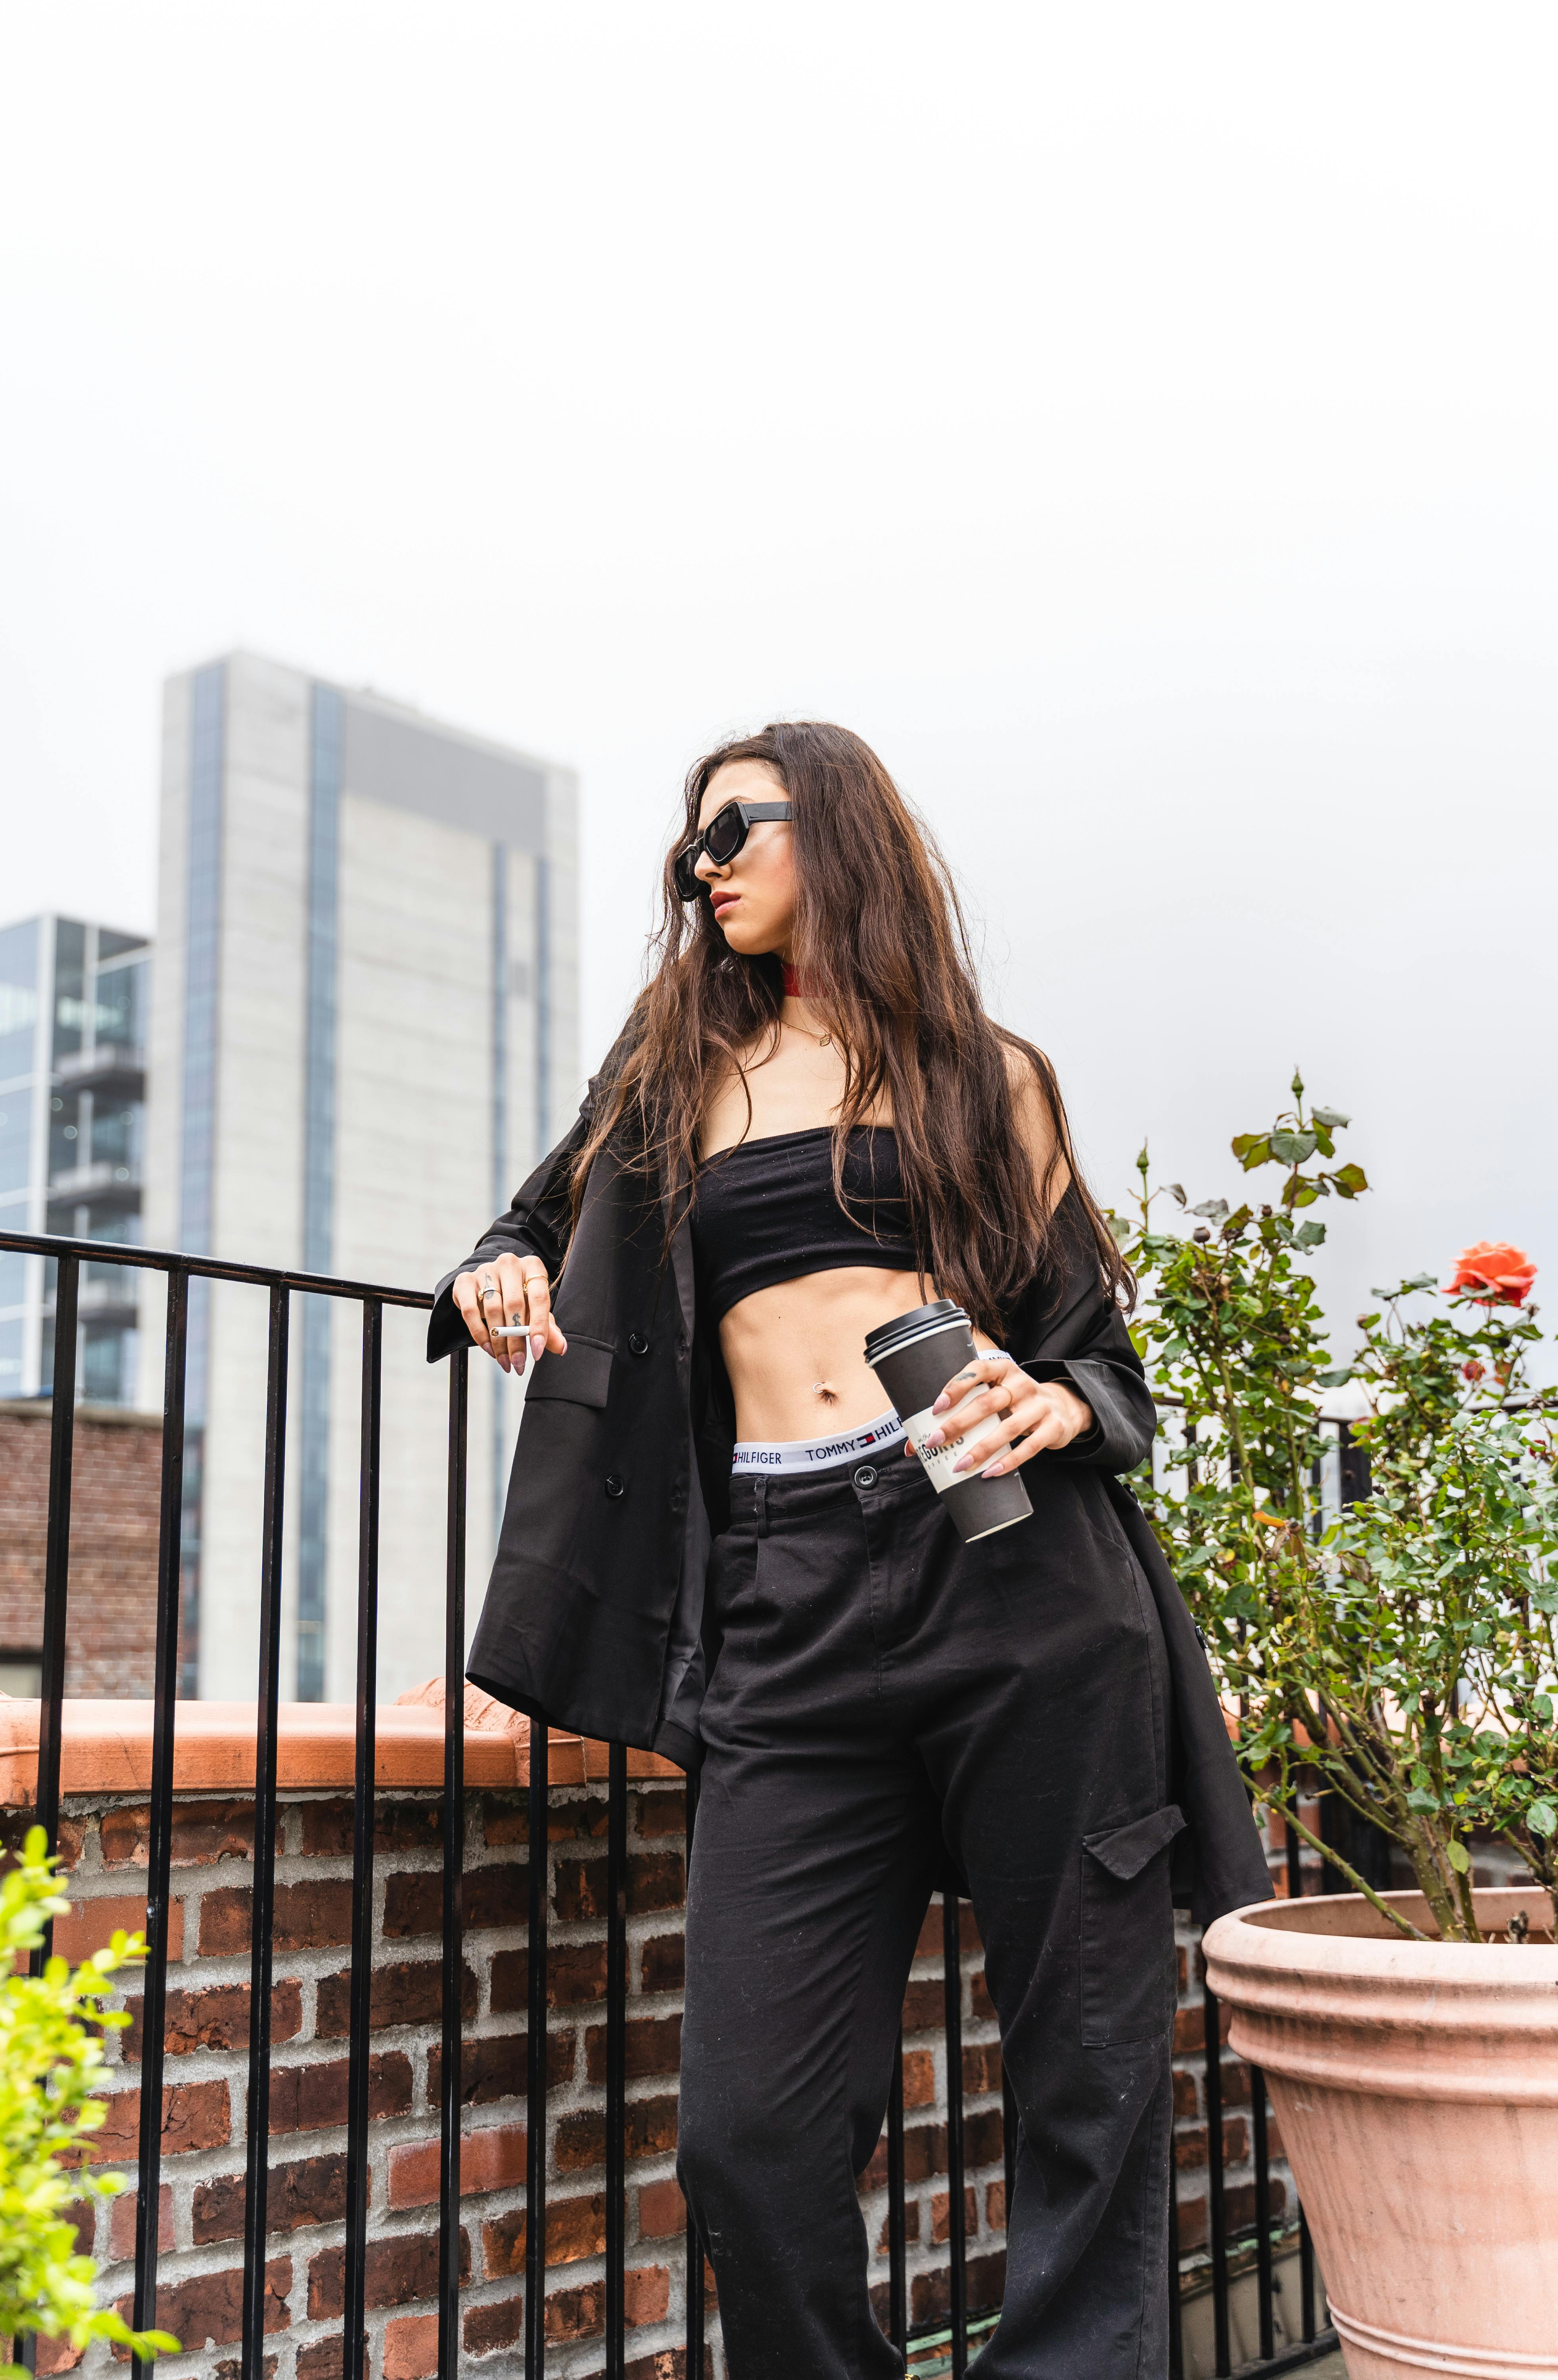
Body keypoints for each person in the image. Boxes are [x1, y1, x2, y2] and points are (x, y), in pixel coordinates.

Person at [427, 722, 1270, 2378]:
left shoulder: (987, 1075)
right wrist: (497, 1270)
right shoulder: (677, 1066)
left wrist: (1055, 1405)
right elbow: (534, 1219)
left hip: (1016, 1580)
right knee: (748, 2136)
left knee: (1085, 2077)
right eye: (690, 843)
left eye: (735, 825)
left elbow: (1100, 1360)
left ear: (843, 829)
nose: (704, 862)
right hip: (782, 1596)